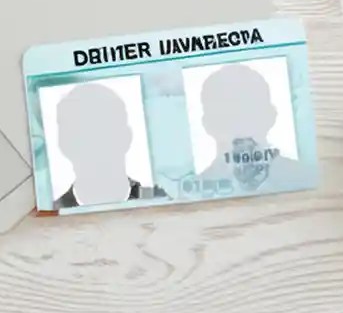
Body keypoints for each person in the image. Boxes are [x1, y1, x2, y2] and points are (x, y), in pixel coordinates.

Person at [188, 63, 305, 196]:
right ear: (207, 124)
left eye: (249, 112)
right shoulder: (193, 193)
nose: (239, 125)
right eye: (227, 115)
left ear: (270, 116)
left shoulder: (303, 177)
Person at [55, 82, 168, 208]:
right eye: (82, 136)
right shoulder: (51, 214)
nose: (94, 148)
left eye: (103, 132)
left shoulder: (163, 204)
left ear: (125, 137)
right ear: (64, 145)